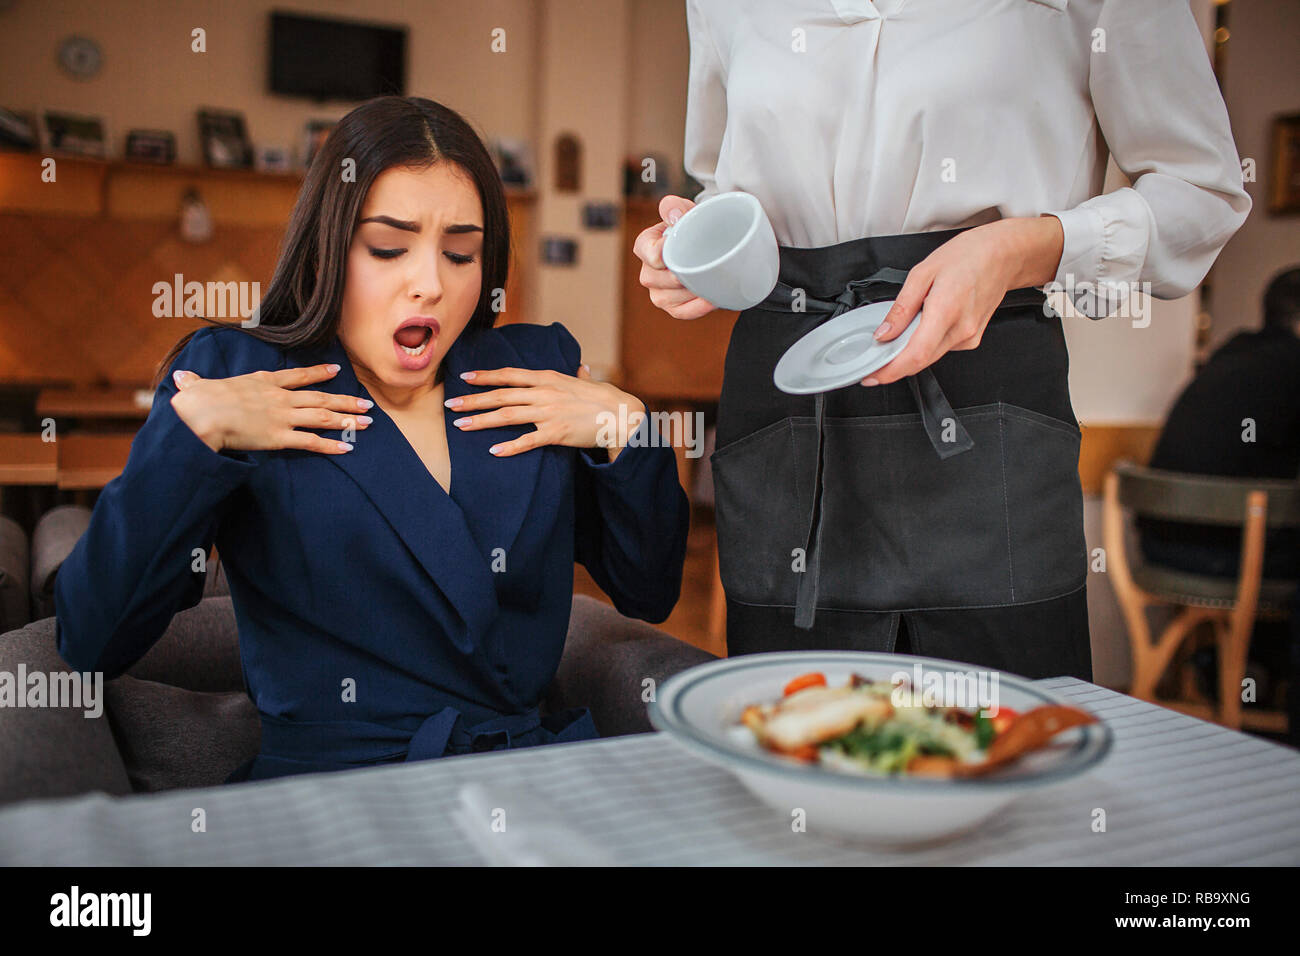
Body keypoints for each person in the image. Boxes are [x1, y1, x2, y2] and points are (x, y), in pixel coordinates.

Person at [54, 96, 690, 782]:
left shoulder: (531, 374)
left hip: (523, 784)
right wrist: (192, 440)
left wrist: (630, 435)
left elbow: (647, 590)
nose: (430, 284)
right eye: (389, 247)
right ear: (329, 243)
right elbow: (95, 637)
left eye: (461, 253)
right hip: (333, 798)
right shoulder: (239, 376)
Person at [634, 0, 1251, 680]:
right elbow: (724, 185)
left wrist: (1028, 247)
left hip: (982, 388)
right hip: (786, 397)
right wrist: (689, 248)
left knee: (1007, 733)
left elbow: (1204, 192)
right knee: (789, 722)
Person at [1139, 267, 1300, 743]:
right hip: (1224, 556)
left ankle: (1232, 665)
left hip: (1157, 547)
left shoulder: (1229, 355)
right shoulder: (1293, 366)